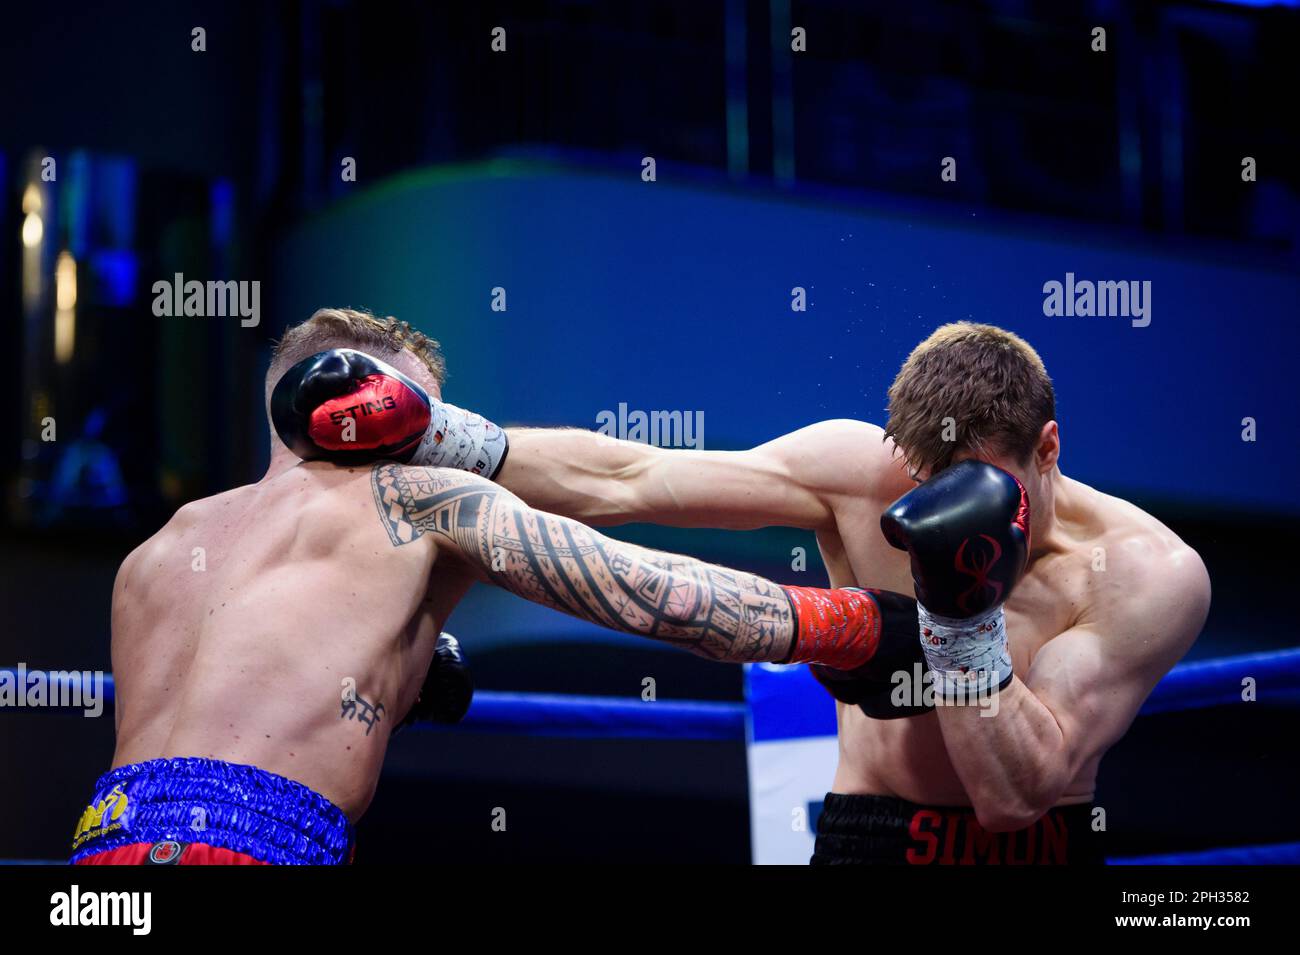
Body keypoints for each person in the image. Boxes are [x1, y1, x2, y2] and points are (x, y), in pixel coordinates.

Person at [332, 320, 1210, 864]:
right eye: (927, 487)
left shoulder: (1145, 574)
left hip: (1037, 849)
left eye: (978, 491)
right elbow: (633, 473)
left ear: (1047, 450)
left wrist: (959, 615)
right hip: (876, 837)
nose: (943, 514)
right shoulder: (864, 474)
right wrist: (443, 436)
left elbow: (1017, 795)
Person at [71, 308, 913, 865]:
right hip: (257, 848)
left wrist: (402, 666)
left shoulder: (157, 551)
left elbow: (231, 701)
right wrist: (853, 624)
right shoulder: (413, 495)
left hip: (96, 861)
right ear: (373, 409)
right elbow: (650, 591)